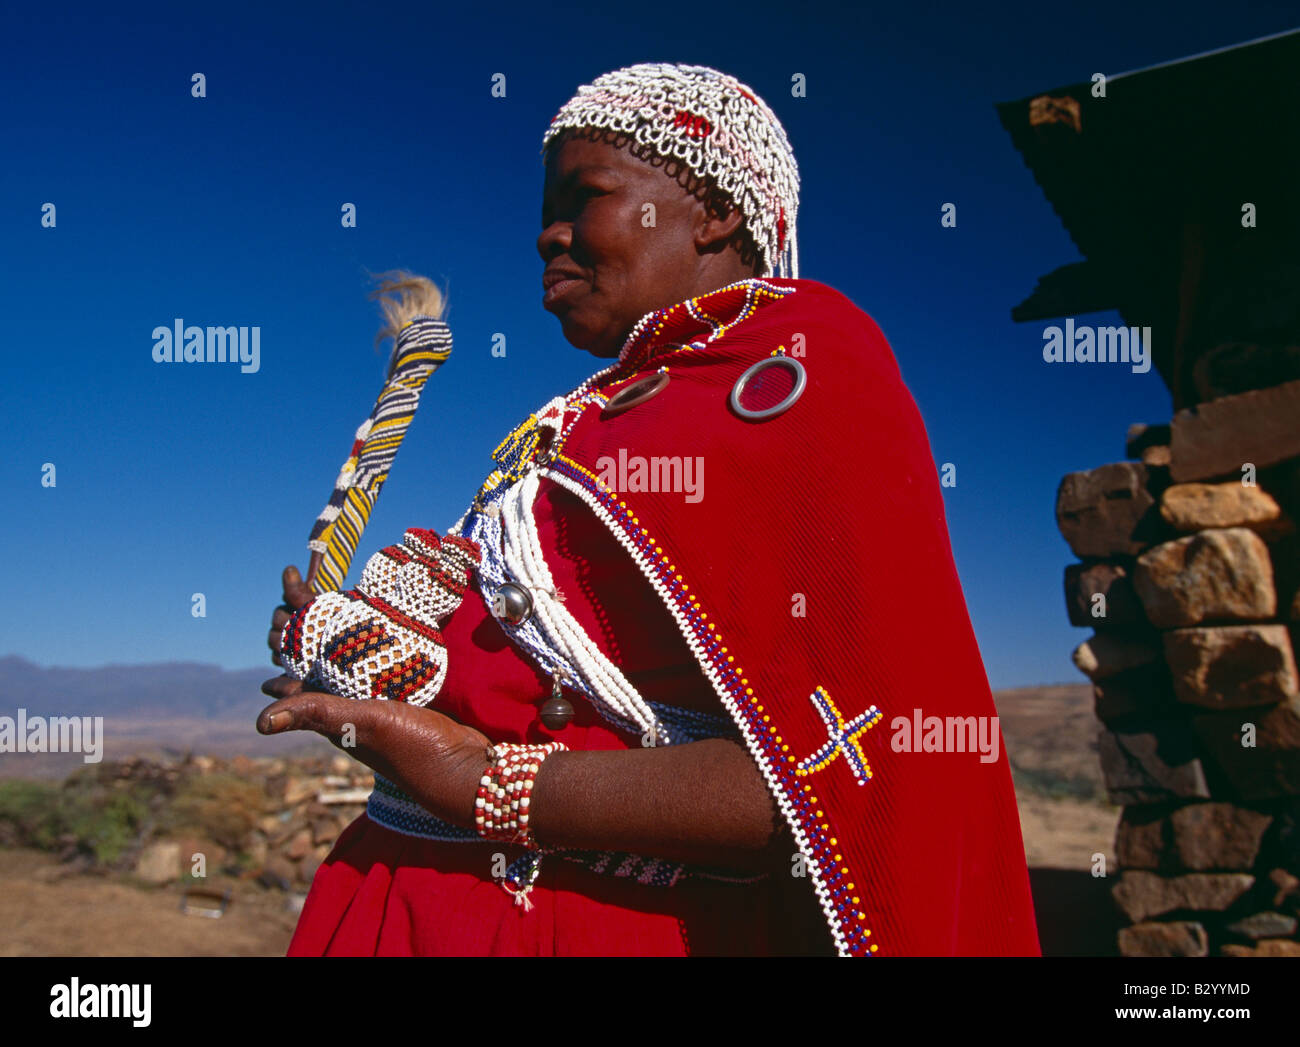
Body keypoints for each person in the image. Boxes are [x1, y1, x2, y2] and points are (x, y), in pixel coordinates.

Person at [260, 62, 1041, 957]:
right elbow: (548, 679)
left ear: (713, 210)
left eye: (583, 197)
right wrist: (393, 657)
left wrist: (481, 782)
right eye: (544, 211)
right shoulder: (580, 421)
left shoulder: (808, 375)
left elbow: (849, 778)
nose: (549, 236)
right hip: (407, 902)